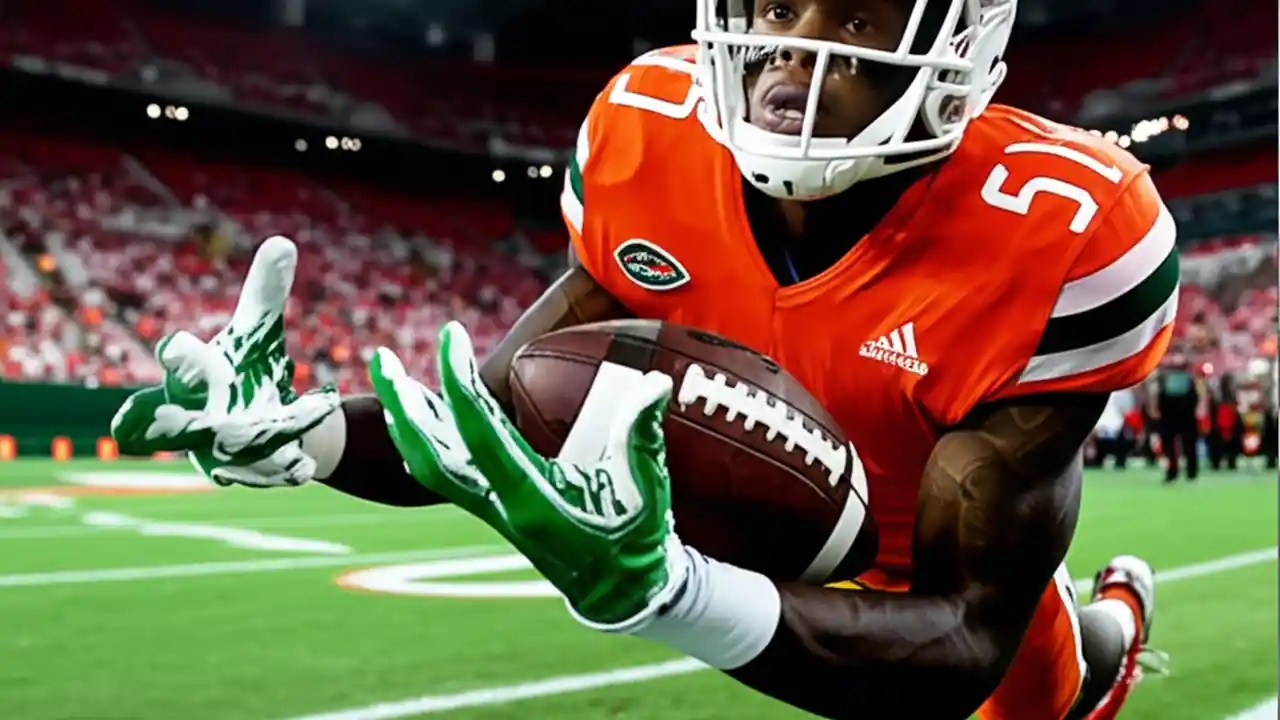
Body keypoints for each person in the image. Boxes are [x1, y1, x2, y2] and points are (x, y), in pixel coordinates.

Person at [110, 1, 1178, 718]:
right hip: (778, 514)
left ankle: (1110, 620)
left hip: (938, 556)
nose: (790, 55)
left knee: (1047, 698)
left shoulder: (1066, 225)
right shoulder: (648, 131)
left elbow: (957, 633)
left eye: (852, 16)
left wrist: (672, 592)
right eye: (772, 7)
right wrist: (311, 433)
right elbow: (499, 416)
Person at [1151, 349, 1201, 482]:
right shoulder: (1165, 377)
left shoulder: (1187, 377)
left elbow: (1196, 396)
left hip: (1183, 412)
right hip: (1171, 413)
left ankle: (1188, 471)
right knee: (1173, 445)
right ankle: (1179, 472)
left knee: (1187, 444)